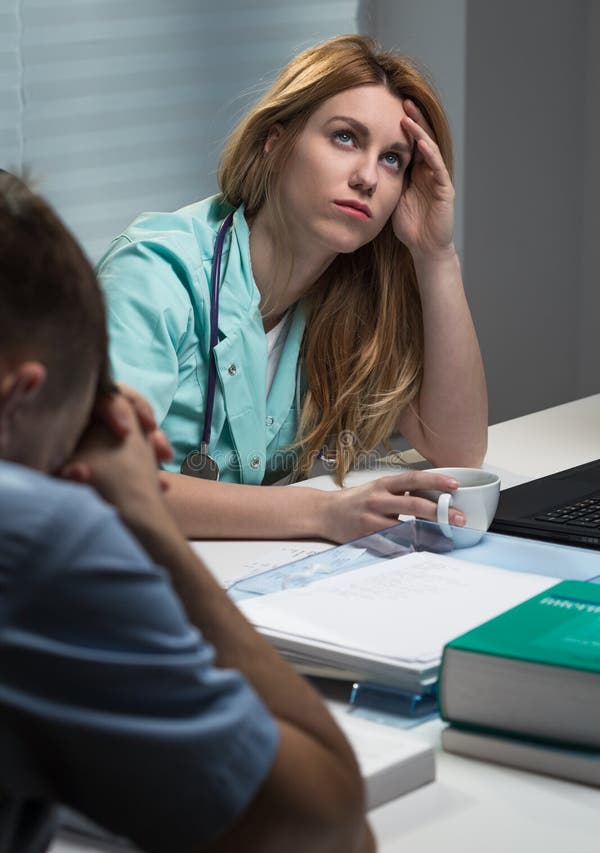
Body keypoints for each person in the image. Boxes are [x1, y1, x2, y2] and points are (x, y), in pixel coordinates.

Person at [0, 170, 375, 853]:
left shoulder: (337, 294)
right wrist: (144, 516)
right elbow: (326, 851)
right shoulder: (31, 535)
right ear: (21, 397)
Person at [98, 33, 488, 542]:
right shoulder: (154, 272)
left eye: (393, 158)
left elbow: (459, 451)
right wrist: (322, 513)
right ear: (276, 141)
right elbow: (107, 482)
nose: (368, 177)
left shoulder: (356, 295)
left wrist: (436, 255)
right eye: (346, 137)